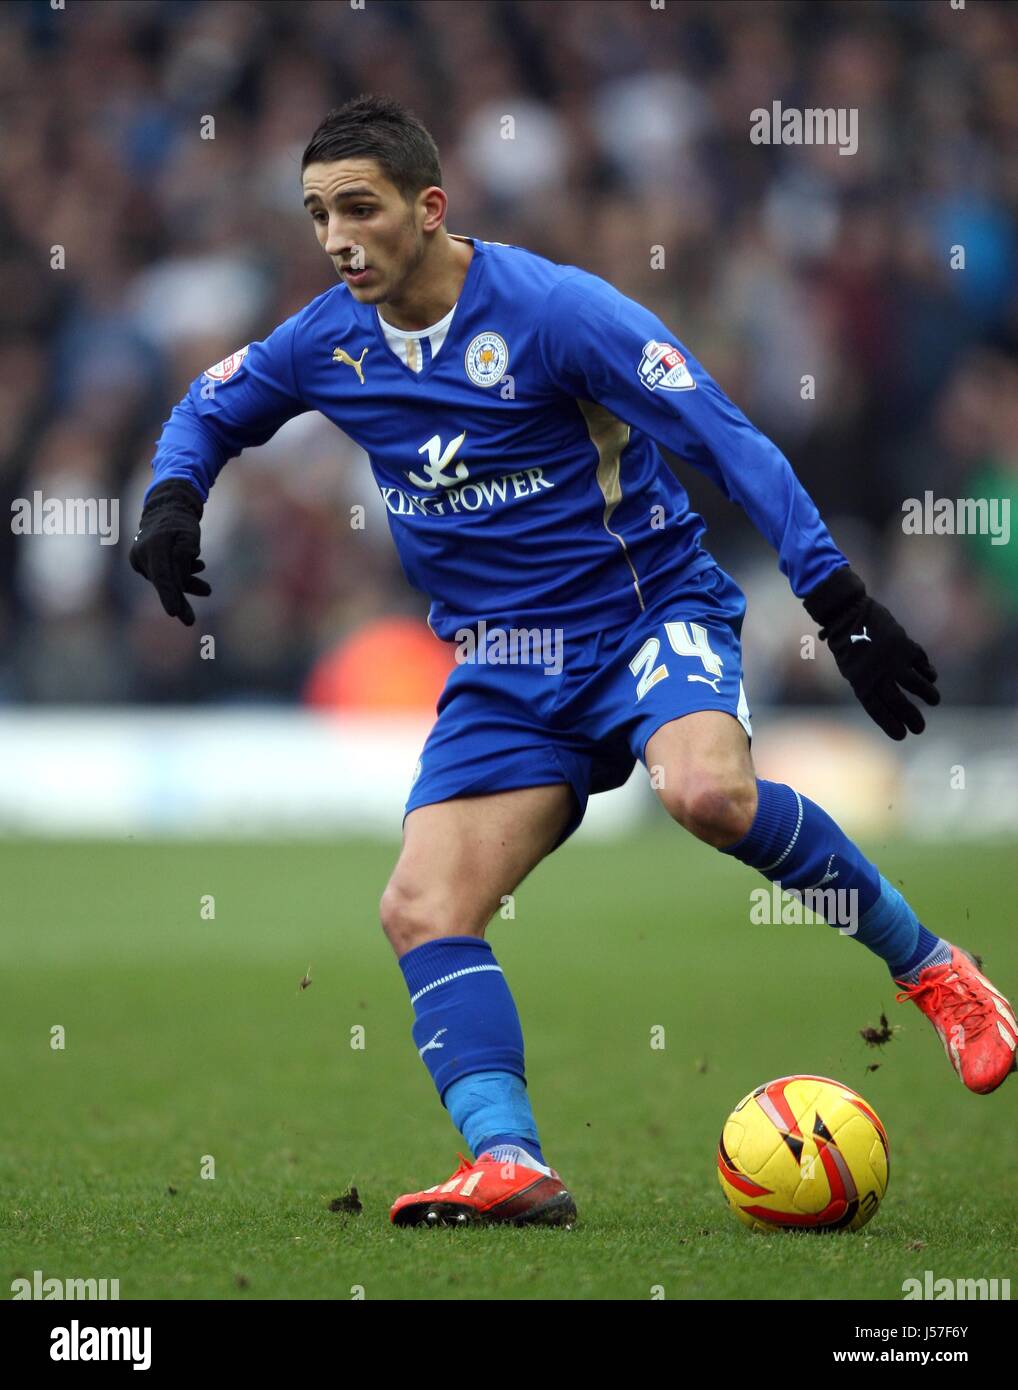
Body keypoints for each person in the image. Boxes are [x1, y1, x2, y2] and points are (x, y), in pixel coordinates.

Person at [130, 95, 1016, 1229]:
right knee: (419, 906)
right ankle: (510, 1162)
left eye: (360, 208)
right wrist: (172, 496)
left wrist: (836, 598)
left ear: (429, 206)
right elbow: (208, 408)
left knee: (705, 791)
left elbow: (722, 433)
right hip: (505, 668)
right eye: (316, 216)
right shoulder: (327, 341)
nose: (338, 237)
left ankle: (935, 969)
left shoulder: (555, 312)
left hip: (644, 614)